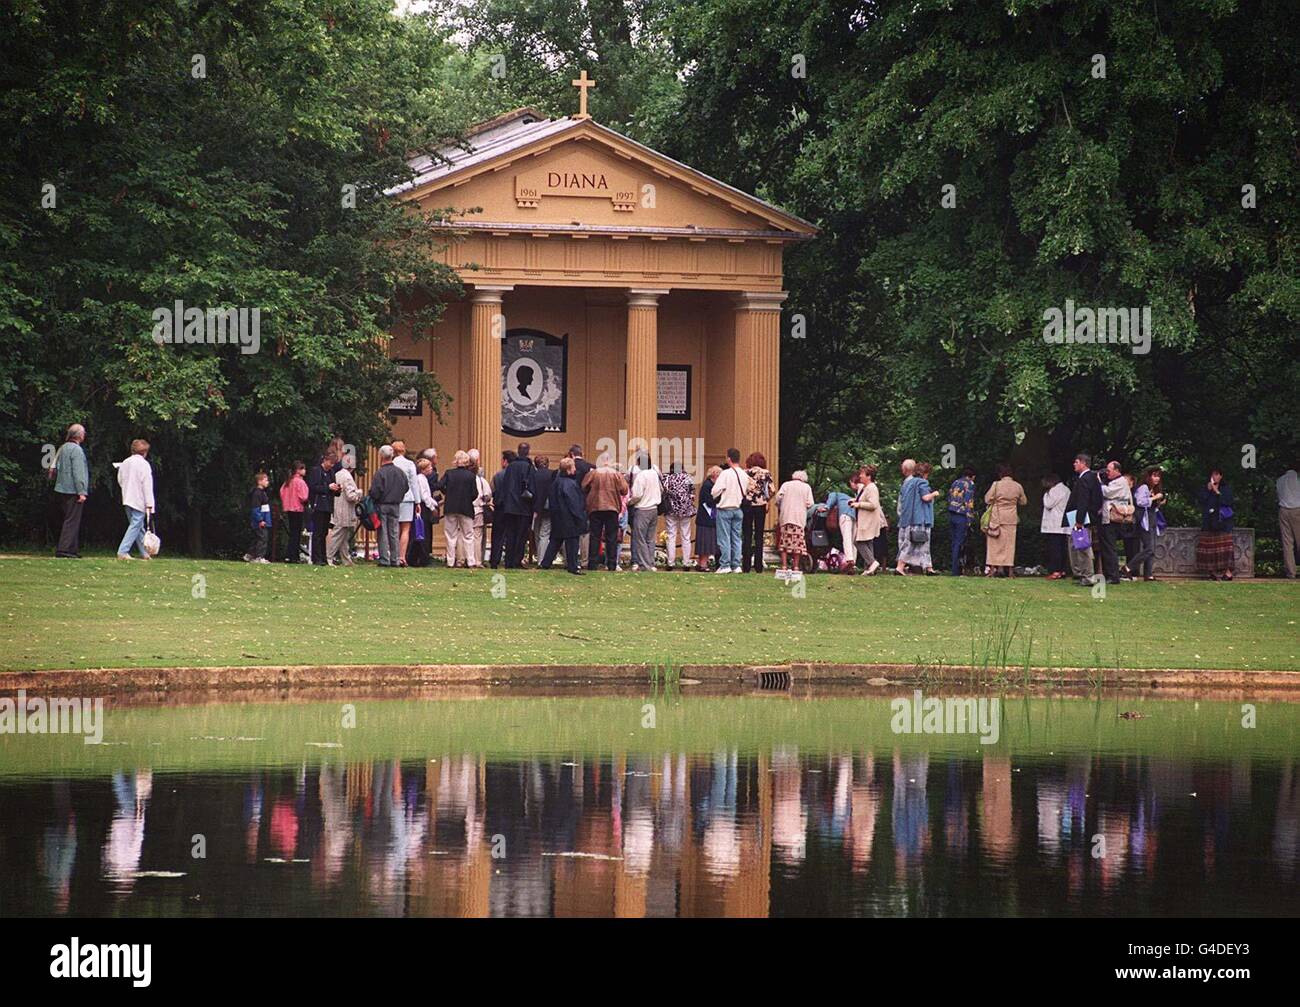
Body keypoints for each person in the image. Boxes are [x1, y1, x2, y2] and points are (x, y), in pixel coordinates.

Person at [538, 457, 587, 574]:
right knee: (572, 543)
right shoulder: (570, 484)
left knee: (555, 541)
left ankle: (545, 563)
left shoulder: (556, 482)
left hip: (557, 516)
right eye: (574, 466)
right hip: (569, 518)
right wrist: (580, 517)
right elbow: (574, 503)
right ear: (569, 469)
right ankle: (573, 566)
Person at [1063, 453, 1103, 586]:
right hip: (1088, 516)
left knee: (1082, 547)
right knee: (1077, 545)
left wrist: (1079, 520)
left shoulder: (1085, 479)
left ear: (1083, 463)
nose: (1074, 464)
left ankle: (1087, 575)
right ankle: (1081, 573)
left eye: (1076, 462)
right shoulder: (1093, 478)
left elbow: (1083, 501)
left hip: (1082, 518)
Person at [51, 423, 89, 559]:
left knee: (69, 519)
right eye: (83, 433)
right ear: (79, 435)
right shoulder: (76, 450)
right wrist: (82, 491)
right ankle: (64, 549)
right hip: (73, 490)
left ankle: (72, 549)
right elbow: (78, 473)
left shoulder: (63, 448)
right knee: (72, 520)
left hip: (61, 488)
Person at [582, 452, 625, 571]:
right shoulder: (616, 474)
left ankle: (593, 563)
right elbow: (624, 490)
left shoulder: (593, 473)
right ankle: (611, 564)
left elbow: (584, 486)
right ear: (610, 461)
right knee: (612, 537)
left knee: (595, 536)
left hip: (595, 507)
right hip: (612, 508)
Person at [895, 461, 939, 575]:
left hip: (907, 519)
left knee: (916, 544)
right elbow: (925, 497)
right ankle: (900, 567)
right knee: (913, 544)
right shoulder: (922, 482)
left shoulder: (907, 483)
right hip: (920, 518)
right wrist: (934, 494)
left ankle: (929, 568)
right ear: (925, 473)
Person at [983, 463, 1027, 577]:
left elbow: (987, 499)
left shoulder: (996, 485)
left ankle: (992, 570)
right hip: (1011, 518)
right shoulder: (1017, 486)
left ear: (1000, 474)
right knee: (1009, 545)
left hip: (997, 517)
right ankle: (1010, 571)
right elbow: (1024, 501)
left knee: (994, 544)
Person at [712, 448, 752, 574]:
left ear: (729, 458)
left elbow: (715, 491)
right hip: (738, 508)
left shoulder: (725, 474)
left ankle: (725, 564)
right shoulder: (744, 474)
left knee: (724, 538)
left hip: (725, 508)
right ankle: (736, 565)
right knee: (736, 538)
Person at [437, 451, 479, 568]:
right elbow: (474, 493)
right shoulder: (471, 476)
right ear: (467, 462)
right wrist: (468, 499)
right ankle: (471, 561)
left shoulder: (449, 473)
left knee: (450, 535)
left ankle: (450, 561)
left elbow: (439, 485)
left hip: (451, 506)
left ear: (456, 461)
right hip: (466, 508)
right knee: (468, 535)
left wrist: (447, 493)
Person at [115, 439, 155, 560]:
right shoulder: (144, 464)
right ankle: (123, 551)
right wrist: (150, 504)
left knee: (138, 526)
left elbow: (120, 480)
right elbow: (147, 485)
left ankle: (145, 553)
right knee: (135, 525)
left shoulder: (125, 462)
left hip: (127, 497)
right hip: (139, 499)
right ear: (145, 452)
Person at [368, 445, 406, 567]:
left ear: (381, 456)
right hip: (396, 505)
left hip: (382, 505)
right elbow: (406, 487)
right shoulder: (400, 472)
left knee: (383, 532)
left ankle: (385, 559)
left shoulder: (380, 473)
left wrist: (373, 498)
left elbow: (375, 491)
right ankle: (395, 559)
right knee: (394, 532)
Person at [774, 470, 815, 579]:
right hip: (798, 518)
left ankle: (784, 566)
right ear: (803, 478)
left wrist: (780, 505)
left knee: (784, 542)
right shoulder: (806, 487)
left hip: (786, 517)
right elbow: (810, 503)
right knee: (797, 543)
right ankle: (796, 567)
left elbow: (778, 498)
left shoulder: (786, 485)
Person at [1197, 468, 1235, 580]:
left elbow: (1228, 502)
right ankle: (1212, 572)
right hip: (1209, 522)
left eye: (1217, 474)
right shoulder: (1205, 488)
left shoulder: (1226, 488)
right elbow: (1201, 501)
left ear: (1221, 476)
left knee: (1225, 548)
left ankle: (1227, 572)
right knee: (1210, 548)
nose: (1215, 476)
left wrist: (1217, 492)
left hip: (1222, 522)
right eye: (1213, 474)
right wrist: (1208, 490)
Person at [1128, 466, 1166, 581]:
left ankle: (1148, 574)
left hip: (1153, 518)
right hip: (1145, 520)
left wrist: (1159, 502)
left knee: (1152, 548)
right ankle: (1128, 567)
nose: (1157, 478)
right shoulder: (1143, 487)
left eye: (1158, 476)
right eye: (1154, 476)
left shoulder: (1153, 488)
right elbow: (1140, 502)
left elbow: (1152, 505)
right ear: (1148, 476)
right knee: (1149, 548)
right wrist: (1154, 498)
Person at [627, 450, 662, 571]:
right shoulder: (654, 473)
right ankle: (651, 563)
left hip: (642, 509)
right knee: (650, 539)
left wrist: (629, 502)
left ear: (638, 463)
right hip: (654, 508)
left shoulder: (641, 476)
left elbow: (637, 495)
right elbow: (661, 490)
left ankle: (644, 564)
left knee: (640, 538)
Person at [1099, 460, 1132, 585]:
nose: (1107, 473)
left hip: (1113, 518)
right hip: (1109, 518)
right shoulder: (1116, 482)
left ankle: (1113, 576)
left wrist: (1099, 482)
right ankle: (1110, 574)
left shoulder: (1121, 482)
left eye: (1109, 470)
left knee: (1110, 547)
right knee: (1107, 546)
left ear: (1117, 470)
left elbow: (1107, 492)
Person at [326, 454, 363, 565]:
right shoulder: (347, 477)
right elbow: (350, 496)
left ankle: (346, 559)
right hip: (344, 510)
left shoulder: (337, 474)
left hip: (337, 507)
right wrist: (359, 493)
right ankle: (328, 557)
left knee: (343, 536)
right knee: (338, 534)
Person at [740, 452, 773, 573]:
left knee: (746, 534)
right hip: (760, 505)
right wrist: (766, 499)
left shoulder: (744, 473)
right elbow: (772, 489)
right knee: (759, 535)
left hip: (747, 505)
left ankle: (746, 565)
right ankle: (758, 565)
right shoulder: (765, 473)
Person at [850, 465, 884, 575]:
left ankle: (872, 563)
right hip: (865, 519)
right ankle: (870, 569)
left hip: (869, 520)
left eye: (862, 474)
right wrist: (854, 500)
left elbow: (873, 504)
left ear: (869, 476)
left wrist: (858, 504)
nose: (860, 476)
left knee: (858, 541)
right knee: (868, 542)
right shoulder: (866, 488)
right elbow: (865, 499)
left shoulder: (872, 488)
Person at [390, 441, 419, 567]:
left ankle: (394, 556)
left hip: (394, 499)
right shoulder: (409, 464)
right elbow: (414, 483)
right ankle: (402, 557)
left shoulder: (391, 464)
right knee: (405, 529)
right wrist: (418, 501)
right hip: (407, 498)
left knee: (394, 528)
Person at [662, 463, 696, 570]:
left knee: (671, 536)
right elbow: (692, 495)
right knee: (686, 536)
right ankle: (686, 563)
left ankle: (670, 563)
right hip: (685, 510)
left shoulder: (668, 479)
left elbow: (664, 492)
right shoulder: (688, 478)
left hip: (671, 510)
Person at [407, 457, 440, 567]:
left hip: (424, 505)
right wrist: (432, 507)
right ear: (423, 469)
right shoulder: (421, 479)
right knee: (422, 532)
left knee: (420, 532)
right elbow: (424, 496)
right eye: (429, 467)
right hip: (423, 507)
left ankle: (417, 557)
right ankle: (421, 558)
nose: (431, 469)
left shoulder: (422, 478)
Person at [307, 450, 338, 565]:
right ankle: (316, 558)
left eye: (333, 464)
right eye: (330, 463)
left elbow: (332, 488)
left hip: (328, 506)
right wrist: (327, 487)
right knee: (318, 532)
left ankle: (324, 557)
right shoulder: (316, 471)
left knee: (324, 532)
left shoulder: (331, 473)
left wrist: (336, 489)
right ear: (324, 460)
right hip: (318, 505)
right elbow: (313, 487)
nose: (331, 466)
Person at [946, 465, 977, 576]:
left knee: (954, 543)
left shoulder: (955, 482)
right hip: (961, 515)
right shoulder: (970, 484)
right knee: (960, 543)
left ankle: (954, 568)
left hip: (952, 513)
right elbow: (969, 501)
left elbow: (949, 497)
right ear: (972, 476)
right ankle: (957, 570)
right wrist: (970, 518)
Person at [1040, 473, 1071, 580]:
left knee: (1054, 549)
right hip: (1063, 523)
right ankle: (1062, 570)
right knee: (1062, 548)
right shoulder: (1066, 489)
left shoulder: (1054, 491)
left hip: (1054, 523)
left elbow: (1048, 504)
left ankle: (1055, 570)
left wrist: (1046, 494)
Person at [568, 445, 595, 565]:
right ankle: (585, 560)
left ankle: (569, 560)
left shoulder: (567, 466)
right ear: (582, 453)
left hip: (570, 501)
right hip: (586, 501)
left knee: (569, 531)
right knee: (585, 532)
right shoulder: (591, 467)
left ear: (571, 454)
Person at [279, 461, 308, 563]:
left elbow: (282, 492)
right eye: (302, 468)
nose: (305, 470)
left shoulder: (288, 481)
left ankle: (289, 555)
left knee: (292, 533)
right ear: (298, 470)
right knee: (296, 533)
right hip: (297, 508)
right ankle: (294, 556)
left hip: (288, 508)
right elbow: (304, 497)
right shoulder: (300, 482)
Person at [489, 450, 514, 569]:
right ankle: (509, 561)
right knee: (511, 535)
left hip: (499, 508)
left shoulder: (498, 476)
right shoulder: (515, 477)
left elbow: (491, 491)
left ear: (505, 461)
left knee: (497, 536)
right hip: (512, 509)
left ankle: (494, 560)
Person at [825, 478, 856, 567]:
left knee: (847, 538)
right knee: (853, 540)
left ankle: (849, 560)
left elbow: (831, 499)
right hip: (855, 515)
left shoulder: (835, 494)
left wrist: (826, 507)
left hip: (845, 514)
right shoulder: (849, 497)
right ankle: (853, 563)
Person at [695, 465, 721, 571]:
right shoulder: (708, 485)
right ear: (715, 474)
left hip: (704, 519)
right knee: (706, 543)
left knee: (704, 543)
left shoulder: (707, 484)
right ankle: (703, 564)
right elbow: (709, 502)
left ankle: (702, 563)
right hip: (706, 519)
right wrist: (719, 496)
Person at [1277, 462, 1300, 579]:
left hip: (1283, 510)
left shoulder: (1279, 480)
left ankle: (1291, 572)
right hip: (1297, 509)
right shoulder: (1297, 479)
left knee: (1287, 543)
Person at [532, 455, 555, 566]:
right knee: (544, 534)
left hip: (535, 508)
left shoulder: (533, 475)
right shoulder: (553, 474)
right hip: (549, 508)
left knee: (536, 532)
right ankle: (542, 559)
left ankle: (538, 557)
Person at [244, 470, 272, 563]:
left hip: (263, 520)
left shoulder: (262, 493)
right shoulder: (257, 493)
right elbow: (255, 509)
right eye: (265, 480)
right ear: (259, 481)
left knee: (257, 538)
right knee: (262, 538)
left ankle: (250, 555)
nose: (267, 482)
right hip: (260, 521)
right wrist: (260, 520)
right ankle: (259, 557)